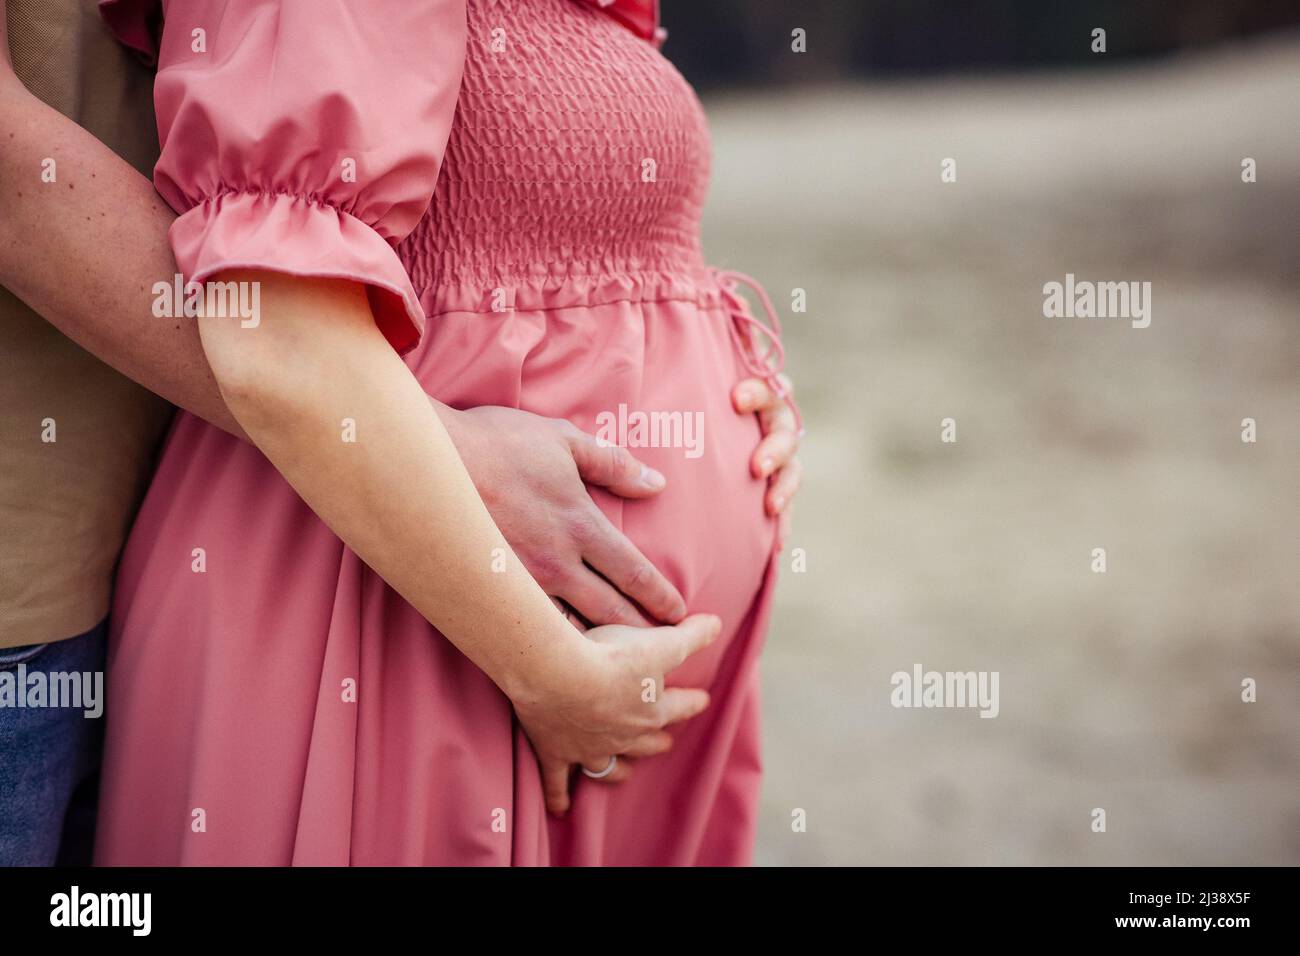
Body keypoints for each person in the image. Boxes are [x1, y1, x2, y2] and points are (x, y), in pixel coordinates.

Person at [0, 0, 802, 866]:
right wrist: (548, 669)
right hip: (408, 632)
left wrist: (724, 361)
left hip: (577, 693)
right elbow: (283, 333)